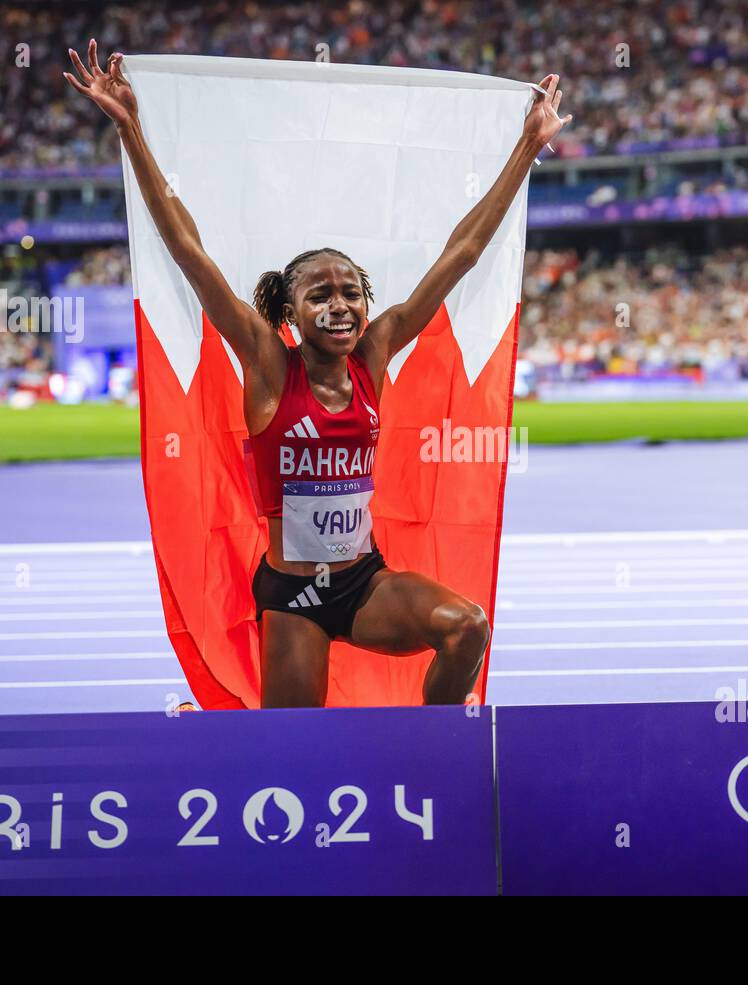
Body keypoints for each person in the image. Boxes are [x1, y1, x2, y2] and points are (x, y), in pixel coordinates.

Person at [64, 39, 570, 707]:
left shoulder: (376, 351)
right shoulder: (269, 365)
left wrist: (526, 148)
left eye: (350, 291)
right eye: (320, 294)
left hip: (363, 581)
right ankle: (219, 732)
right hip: (295, 594)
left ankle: (437, 754)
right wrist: (130, 131)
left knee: (467, 627)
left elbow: (464, 251)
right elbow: (188, 250)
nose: (340, 305)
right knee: (291, 748)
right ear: (292, 310)